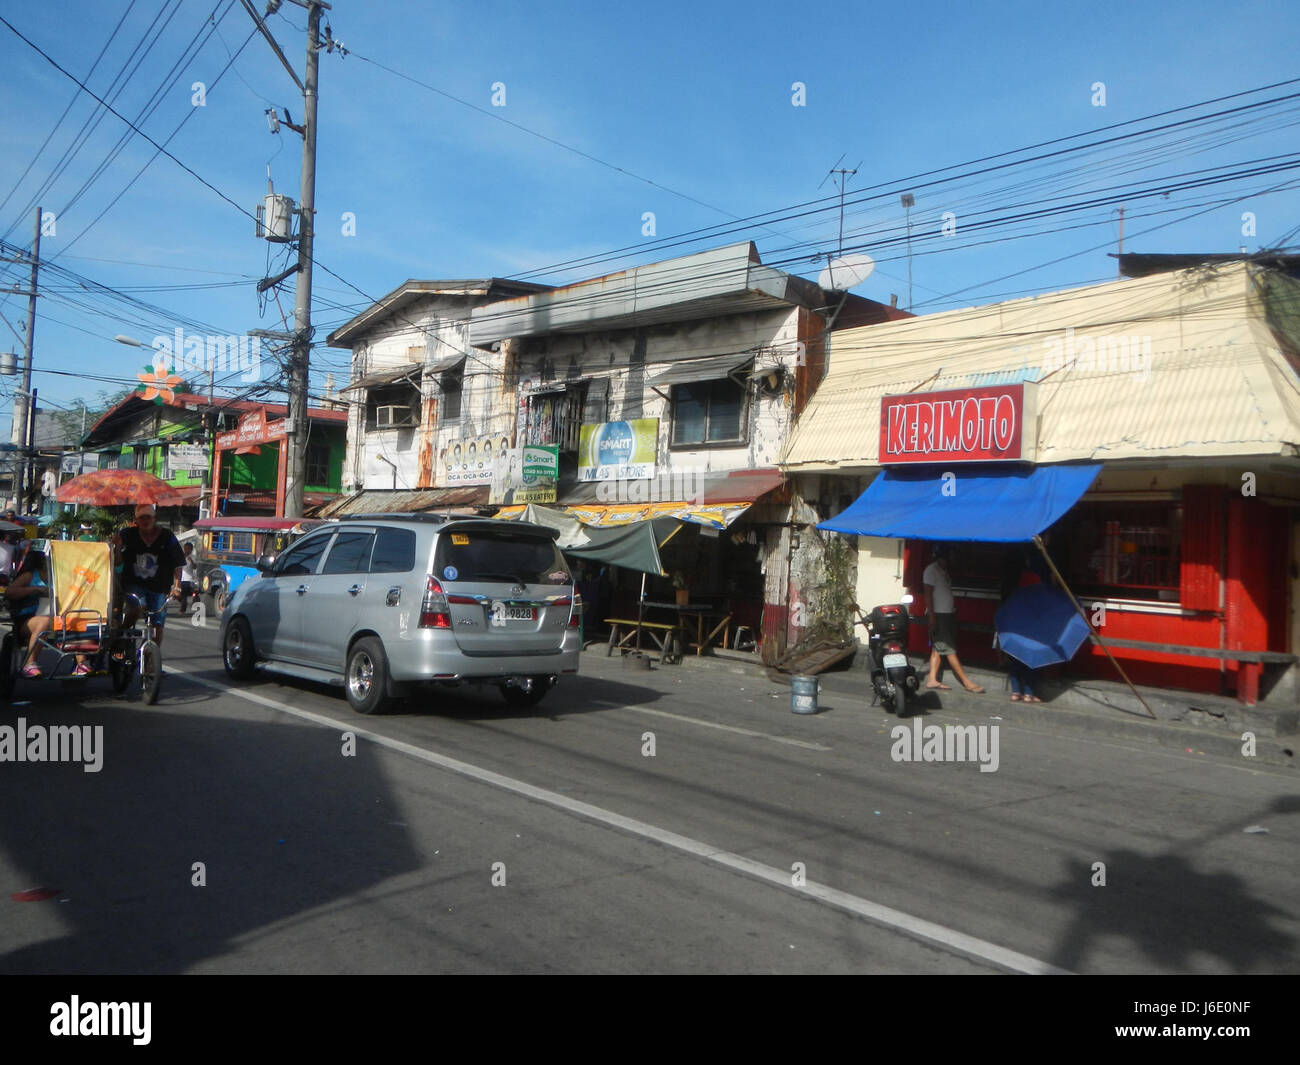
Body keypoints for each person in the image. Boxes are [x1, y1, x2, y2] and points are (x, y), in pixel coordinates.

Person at [113, 503, 186, 647]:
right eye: (142, 518)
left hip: (159, 587)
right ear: (136, 520)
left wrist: (177, 586)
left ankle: (151, 659)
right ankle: (121, 634)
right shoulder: (127, 534)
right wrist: (118, 547)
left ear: (154, 518)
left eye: (149, 517)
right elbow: (117, 562)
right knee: (137, 607)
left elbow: (178, 563)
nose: (145, 521)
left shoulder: (167, 536)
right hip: (134, 584)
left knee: (158, 626)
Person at [922, 543, 984, 693]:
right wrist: (932, 617)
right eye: (949, 557)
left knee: (937, 649)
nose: (951, 560)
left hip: (947, 614)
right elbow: (928, 595)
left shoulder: (944, 571)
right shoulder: (931, 571)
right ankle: (967, 682)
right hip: (938, 615)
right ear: (942, 557)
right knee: (949, 649)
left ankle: (932, 679)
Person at [177, 542, 197, 614]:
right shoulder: (181, 556)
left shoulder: (193, 557)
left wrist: (191, 560)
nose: (187, 550)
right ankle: (184, 603)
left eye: (189, 549)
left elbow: (195, 567)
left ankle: (183, 609)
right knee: (177, 595)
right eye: (185, 549)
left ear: (191, 550)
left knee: (184, 594)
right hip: (180, 579)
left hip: (188, 579)